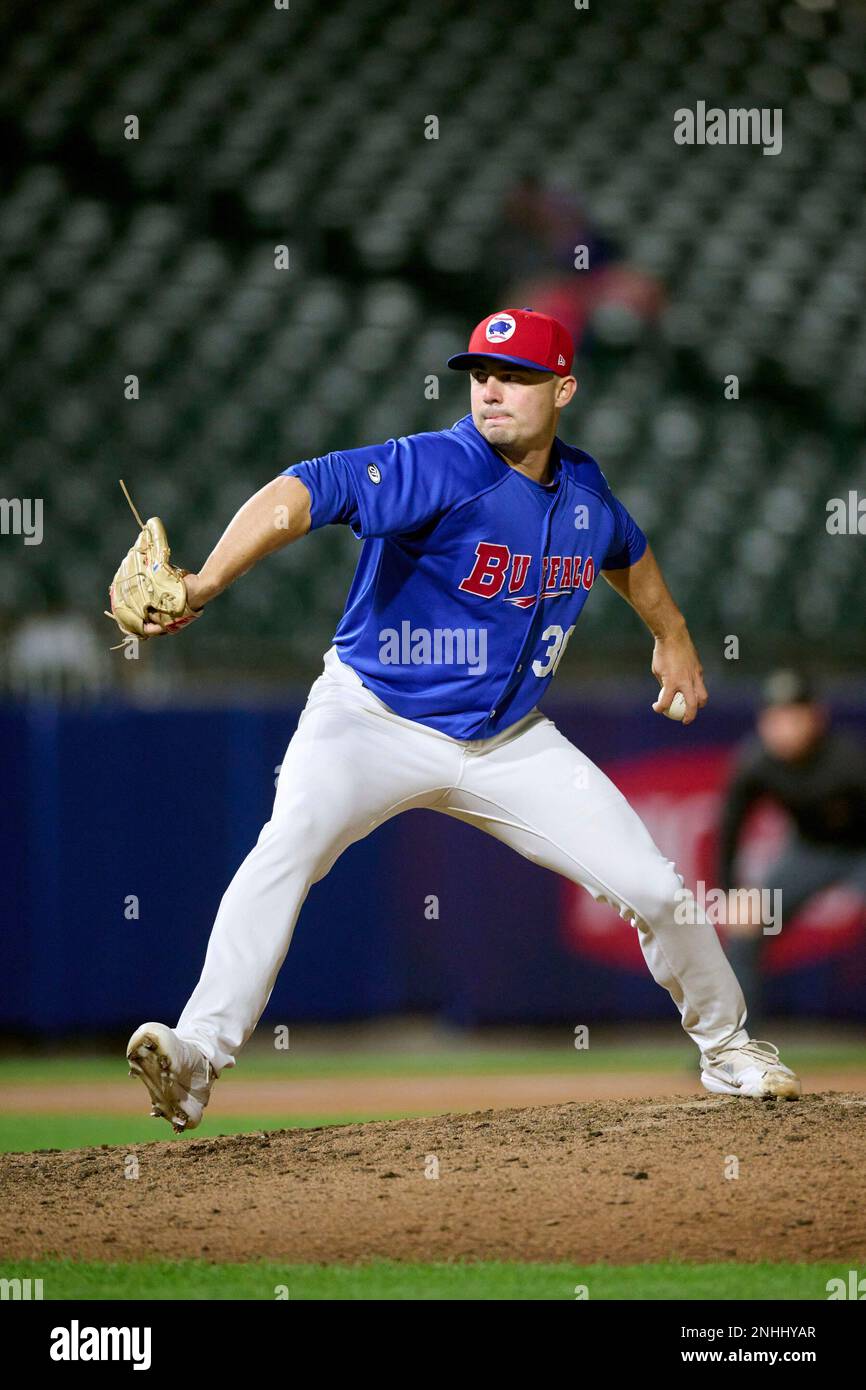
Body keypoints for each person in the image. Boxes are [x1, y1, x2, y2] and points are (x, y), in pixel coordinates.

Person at [124, 307, 801, 1130]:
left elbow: (625, 550)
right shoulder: (439, 464)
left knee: (655, 890)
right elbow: (305, 489)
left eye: (516, 376)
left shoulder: (584, 491)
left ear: (564, 389)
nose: (492, 390)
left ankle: (727, 1046)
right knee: (287, 848)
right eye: (481, 372)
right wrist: (203, 583)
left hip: (509, 743)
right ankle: (196, 1053)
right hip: (371, 718)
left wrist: (674, 634)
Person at [718, 668, 866, 1027]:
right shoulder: (756, 763)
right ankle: (738, 1043)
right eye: (774, 716)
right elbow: (730, 829)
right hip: (807, 852)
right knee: (747, 928)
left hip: (860, 851)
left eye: (793, 715)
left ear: (816, 717)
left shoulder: (847, 762)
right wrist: (731, 892)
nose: (782, 726)